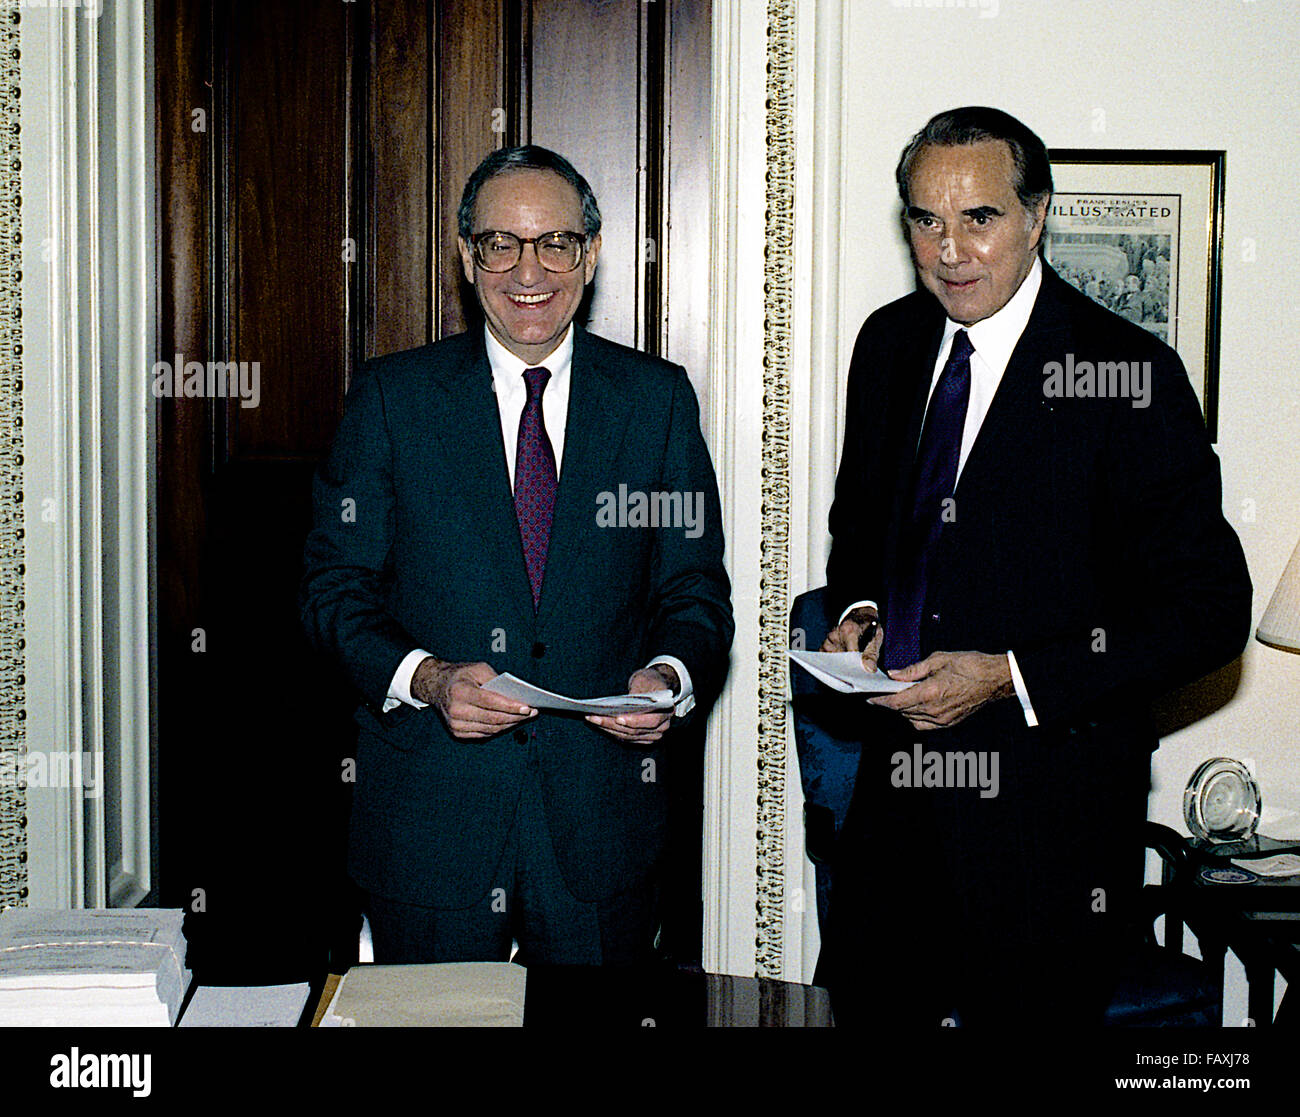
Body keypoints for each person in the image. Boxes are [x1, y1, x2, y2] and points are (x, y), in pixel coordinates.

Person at [815, 107, 1250, 1026]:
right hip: (894, 810)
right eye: (926, 220)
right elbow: (858, 526)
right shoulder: (887, 346)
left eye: (980, 217)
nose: (951, 249)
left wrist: (1009, 677)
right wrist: (859, 609)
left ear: (1037, 214)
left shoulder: (1127, 373)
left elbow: (1210, 607)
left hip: (1048, 831)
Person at [301, 145, 733, 967]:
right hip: (431, 828)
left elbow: (695, 592)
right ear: (468, 258)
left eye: (555, 243)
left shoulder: (656, 401)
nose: (528, 270)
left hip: (599, 833)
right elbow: (332, 591)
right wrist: (428, 678)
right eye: (501, 243)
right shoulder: (393, 398)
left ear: (592, 253)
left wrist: (668, 679)